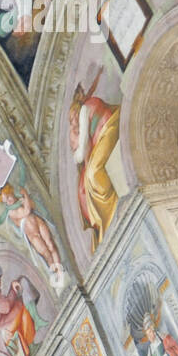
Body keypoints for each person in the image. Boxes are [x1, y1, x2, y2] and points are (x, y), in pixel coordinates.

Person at [69, 81, 120, 252]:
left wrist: (76, 157)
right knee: (87, 179)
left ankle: (113, 211)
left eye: (72, 118)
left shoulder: (85, 110)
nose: (73, 123)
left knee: (93, 173)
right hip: (107, 129)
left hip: (111, 125)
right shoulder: (88, 107)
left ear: (76, 110)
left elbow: (83, 149)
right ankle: (105, 219)